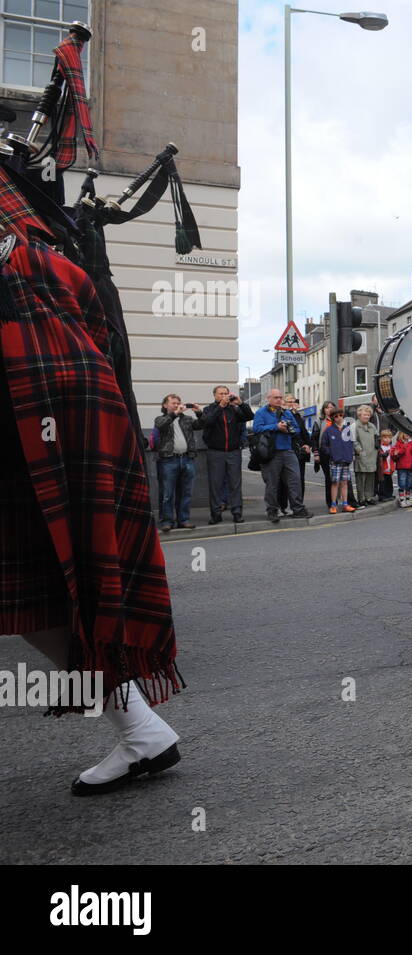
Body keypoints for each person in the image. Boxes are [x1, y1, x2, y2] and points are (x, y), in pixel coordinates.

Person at [2, 185, 182, 795]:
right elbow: (99, 313)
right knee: (49, 582)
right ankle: (139, 728)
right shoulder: (35, 221)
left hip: (30, 395)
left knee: (32, 584)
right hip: (80, 385)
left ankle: (139, 727)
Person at [252, 388, 311, 523]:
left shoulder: (286, 413)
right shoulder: (262, 412)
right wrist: (276, 427)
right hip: (271, 452)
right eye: (276, 397)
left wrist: (289, 429)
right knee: (272, 484)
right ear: (269, 398)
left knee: (295, 481)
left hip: (288, 451)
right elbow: (256, 429)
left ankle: (298, 509)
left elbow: (297, 429)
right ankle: (272, 510)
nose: (279, 400)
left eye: (280, 397)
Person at [199, 384, 252, 524]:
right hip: (216, 452)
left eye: (226, 394)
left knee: (235, 484)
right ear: (215, 395)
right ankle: (215, 514)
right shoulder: (209, 409)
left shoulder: (234, 409)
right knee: (215, 484)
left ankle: (237, 512)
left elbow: (249, 416)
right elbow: (208, 422)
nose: (224, 396)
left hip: (233, 452)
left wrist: (241, 404)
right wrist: (220, 407)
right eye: (221, 394)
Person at [154, 393, 200, 531]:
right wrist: (174, 414)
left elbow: (202, 424)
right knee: (167, 494)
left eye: (178, 402)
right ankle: (167, 521)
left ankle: (183, 520)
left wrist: (199, 413)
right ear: (165, 405)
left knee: (185, 493)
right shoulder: (160, 419)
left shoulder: (187, 419)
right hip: (169, 460)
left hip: (187, 458)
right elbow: (161, 425)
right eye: (173, 403)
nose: (177, 405)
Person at [279, 395, 312, 515]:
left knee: (299, 480)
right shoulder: (282, 414)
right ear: (284, 403)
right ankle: (283, 506)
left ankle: (298, 505)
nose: (292, 404)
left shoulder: (298, 416)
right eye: (289, 402)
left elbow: (303, 433)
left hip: (299, 452)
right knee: (284, 482)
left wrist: (308, 444)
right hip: (287, 450)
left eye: (294, 402)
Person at [320, 409, 356, 514]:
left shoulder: (347, 430)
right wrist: (332, 453)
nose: (339, 418)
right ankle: (333, 505)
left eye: (341, 415)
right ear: (333, 418)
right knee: (335, 483)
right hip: (335, 461)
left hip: (346, 460)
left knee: (344, 483)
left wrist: (350, 455)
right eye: (336, 416)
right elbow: (324, 445)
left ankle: (345, 504)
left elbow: (351, 443)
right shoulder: (329, 430)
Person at [353, 404, 380, 506]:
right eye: (365, 414)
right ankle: (361, 498)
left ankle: (369, 497)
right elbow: (354, 441)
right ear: (359, 415)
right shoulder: (355, 426)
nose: (367, 416)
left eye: (368, 415)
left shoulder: (372, 426)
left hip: (372, 455)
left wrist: (378, 443)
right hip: (361, 456)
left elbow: (377, 436)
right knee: (361, 479)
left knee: (370, 478)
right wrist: (360, 451)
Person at [392, 431, 412, 507]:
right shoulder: (398, 443)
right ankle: (402, 500)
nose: (407, 435)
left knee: (409, 484)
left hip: (410, 467)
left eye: (409, 433)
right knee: (402, 484)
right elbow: (394, 455)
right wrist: (398, 452)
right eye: (405, 433)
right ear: (401, 434)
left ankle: (408, 499)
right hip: (401, 467)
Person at [377, 429, 396, 502]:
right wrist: (385, 454)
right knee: (382, 484)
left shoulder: (391, 447)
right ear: (381, 438)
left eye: (389, 438)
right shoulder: (380, 447)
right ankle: (382, 496)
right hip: (383, 468)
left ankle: (389, 495)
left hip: (389, 468)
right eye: (385, 437)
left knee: (389, 483)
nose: (387, 439)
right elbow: (381, 456)